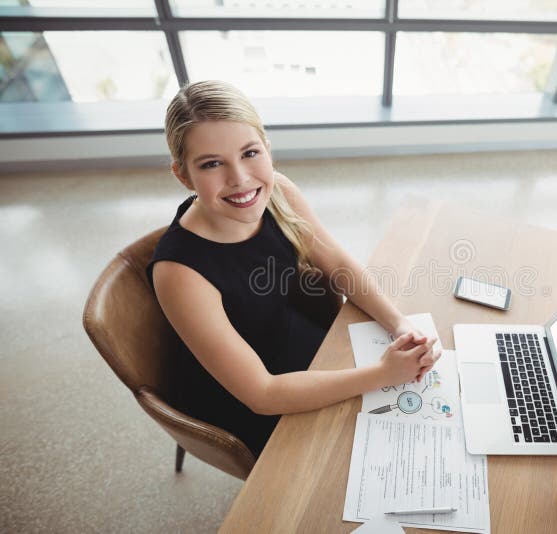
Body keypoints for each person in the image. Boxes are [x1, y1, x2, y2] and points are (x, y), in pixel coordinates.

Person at [147, 80, 441, 456]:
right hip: (243, 394)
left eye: (250, 153)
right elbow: (262, 395)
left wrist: (399, 323)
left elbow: (335, 261)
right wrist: (383, 375)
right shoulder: (178, 273)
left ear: (267, 149)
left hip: (290, 336)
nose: (239, 178)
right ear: (183, 176)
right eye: (212, 164)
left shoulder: (278, 191)